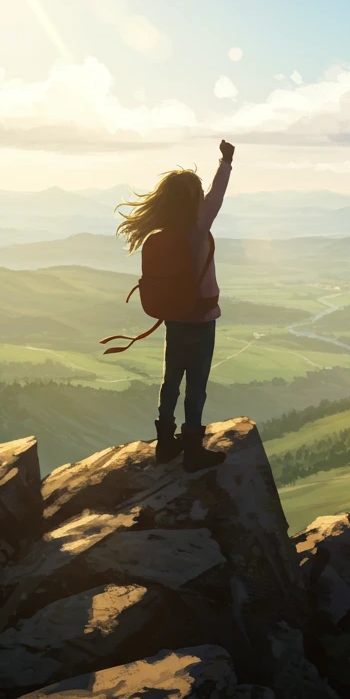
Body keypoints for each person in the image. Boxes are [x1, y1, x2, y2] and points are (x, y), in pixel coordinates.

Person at [115, 139, 234, 472]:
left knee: (171, 380)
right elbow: (217, 195)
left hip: (174, 318)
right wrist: (226, 162)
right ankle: (193, 449)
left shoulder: (163, 233)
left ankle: (165, 443)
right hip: (202, 320)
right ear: (194, 200)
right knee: (196, 384)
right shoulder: (197, 229)